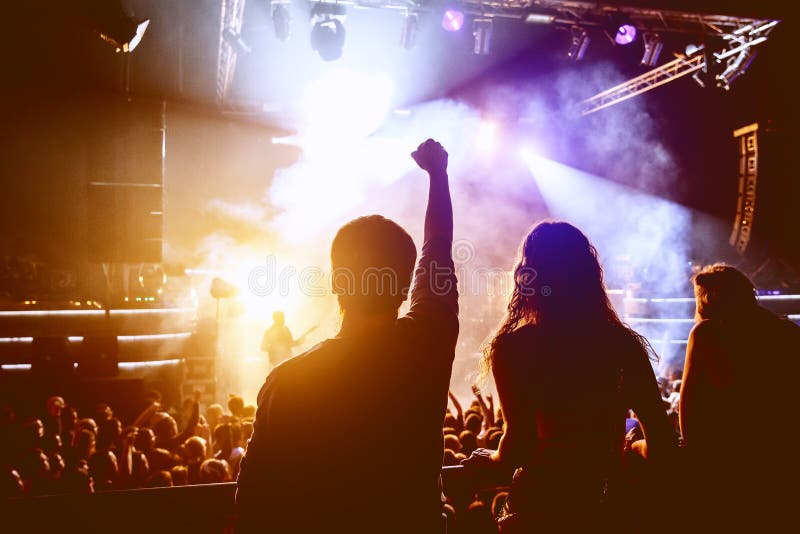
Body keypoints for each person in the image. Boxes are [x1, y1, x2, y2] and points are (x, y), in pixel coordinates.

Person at [236, 139, 458, 533]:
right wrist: (438, 176)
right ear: (406, 286)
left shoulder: (287, 382)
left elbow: (253, 504)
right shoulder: (428, 342)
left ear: (337, 282)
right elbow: (437, 247)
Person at [462, 221, 675, 531]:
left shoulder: (515, 348)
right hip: (609, 507)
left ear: (527, 277)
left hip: (542, 507)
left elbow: (518, 447)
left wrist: (489, 461)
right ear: (588, 276)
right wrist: (637, 458)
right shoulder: (621, 345)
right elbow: (660, 434)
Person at [679, 264, 800, 527]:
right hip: (781, 463)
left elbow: (688, 418)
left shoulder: (707, 333)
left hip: (725, 465)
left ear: (708, 299)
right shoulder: (787, 331)